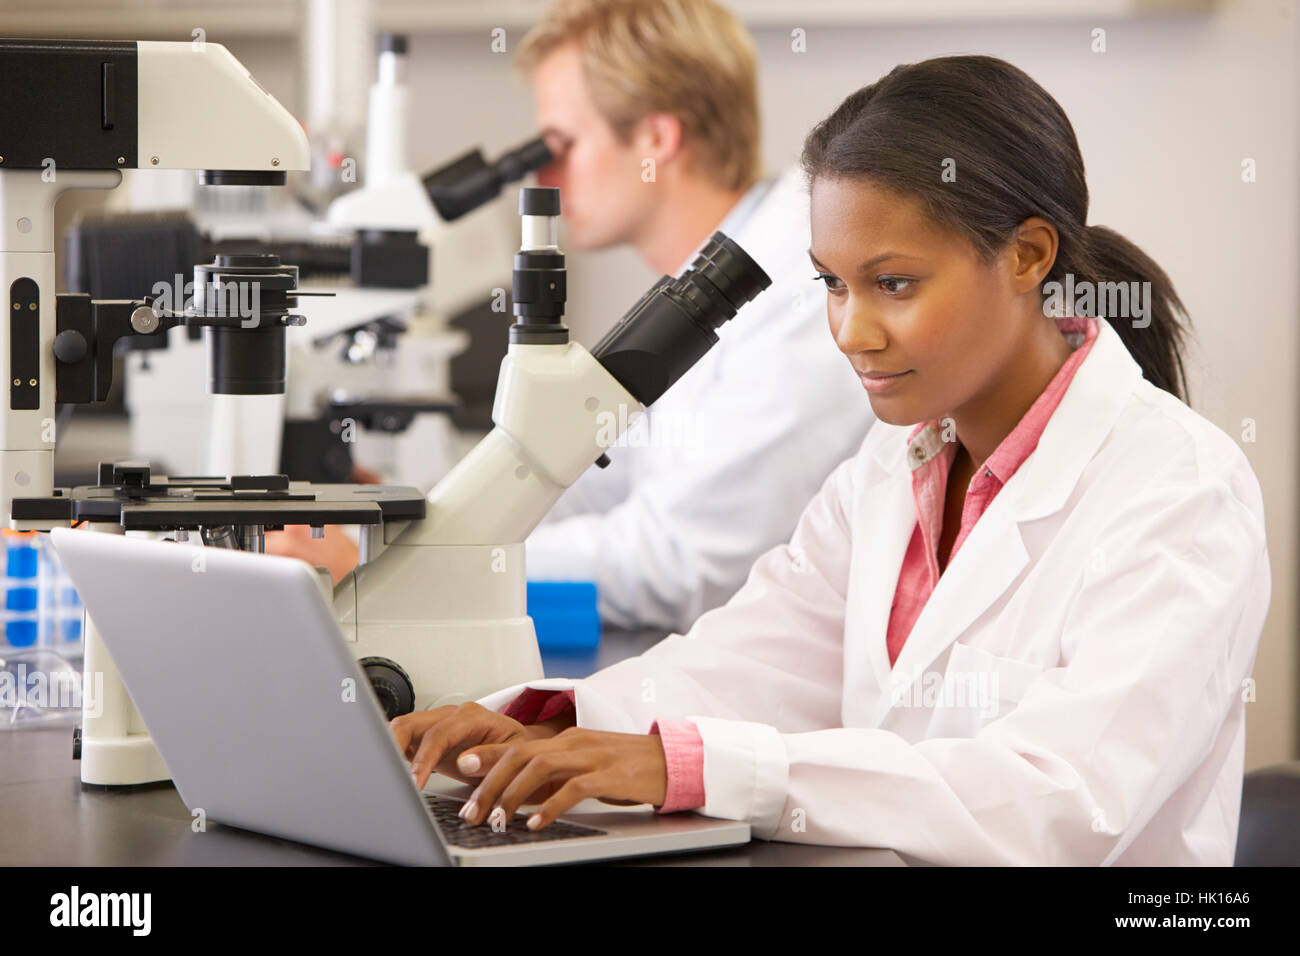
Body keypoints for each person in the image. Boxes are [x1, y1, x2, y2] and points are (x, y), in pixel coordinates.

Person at [388, 55, 1269, 866]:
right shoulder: (891, 471)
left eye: (894, 284)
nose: (852, 332)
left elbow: (1061, 803)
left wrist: (685, 767)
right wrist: (545, 724)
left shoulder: (1178, 489)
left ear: (1028, 257)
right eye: (832, 285)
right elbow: (747, 665)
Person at [268, 0, 874, 634]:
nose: (545, 173)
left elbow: (686, 563)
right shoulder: (705, 275)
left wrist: (395, 564)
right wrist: (422, 514)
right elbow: (584, 483)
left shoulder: (796, 282)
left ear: (655, 140)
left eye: (561, 144)